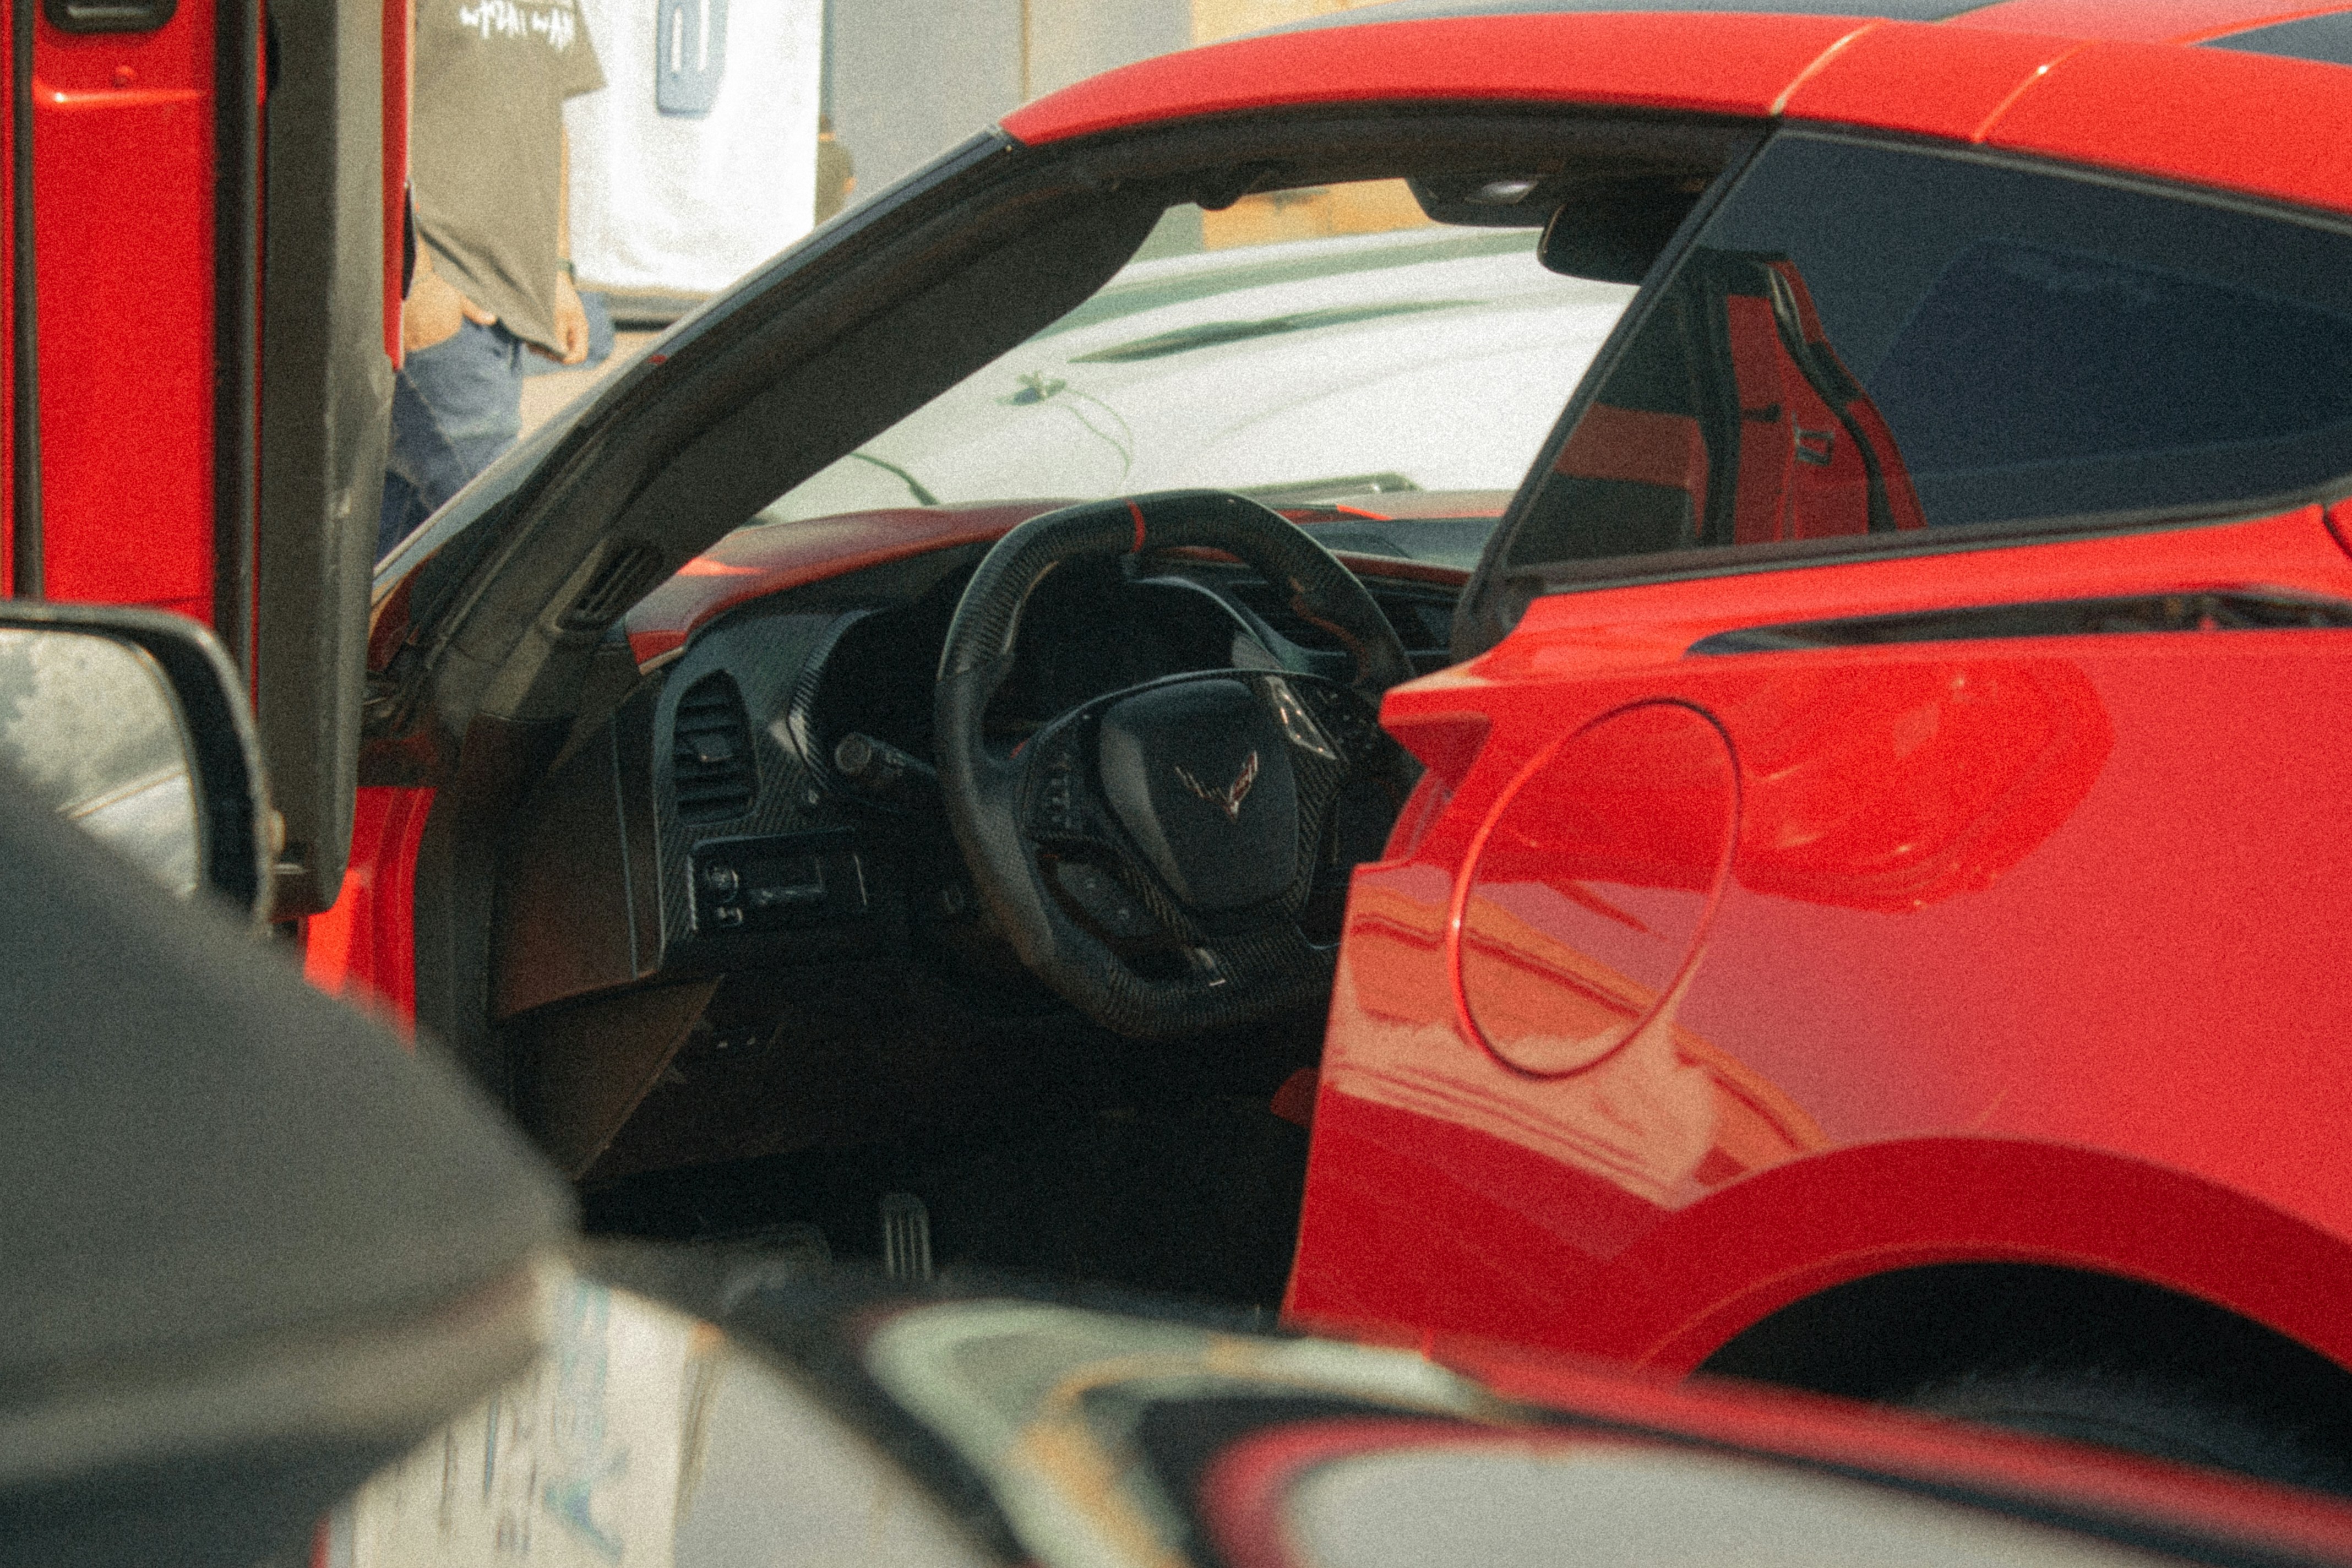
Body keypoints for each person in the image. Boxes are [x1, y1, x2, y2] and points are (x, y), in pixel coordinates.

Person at [380, 0, 606, 560]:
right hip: (437, 295)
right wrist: (419, 274)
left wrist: (555, 272)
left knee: (399, 554)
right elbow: (373, 106)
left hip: (504, 306)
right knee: (514, 548)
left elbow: (546, 122)